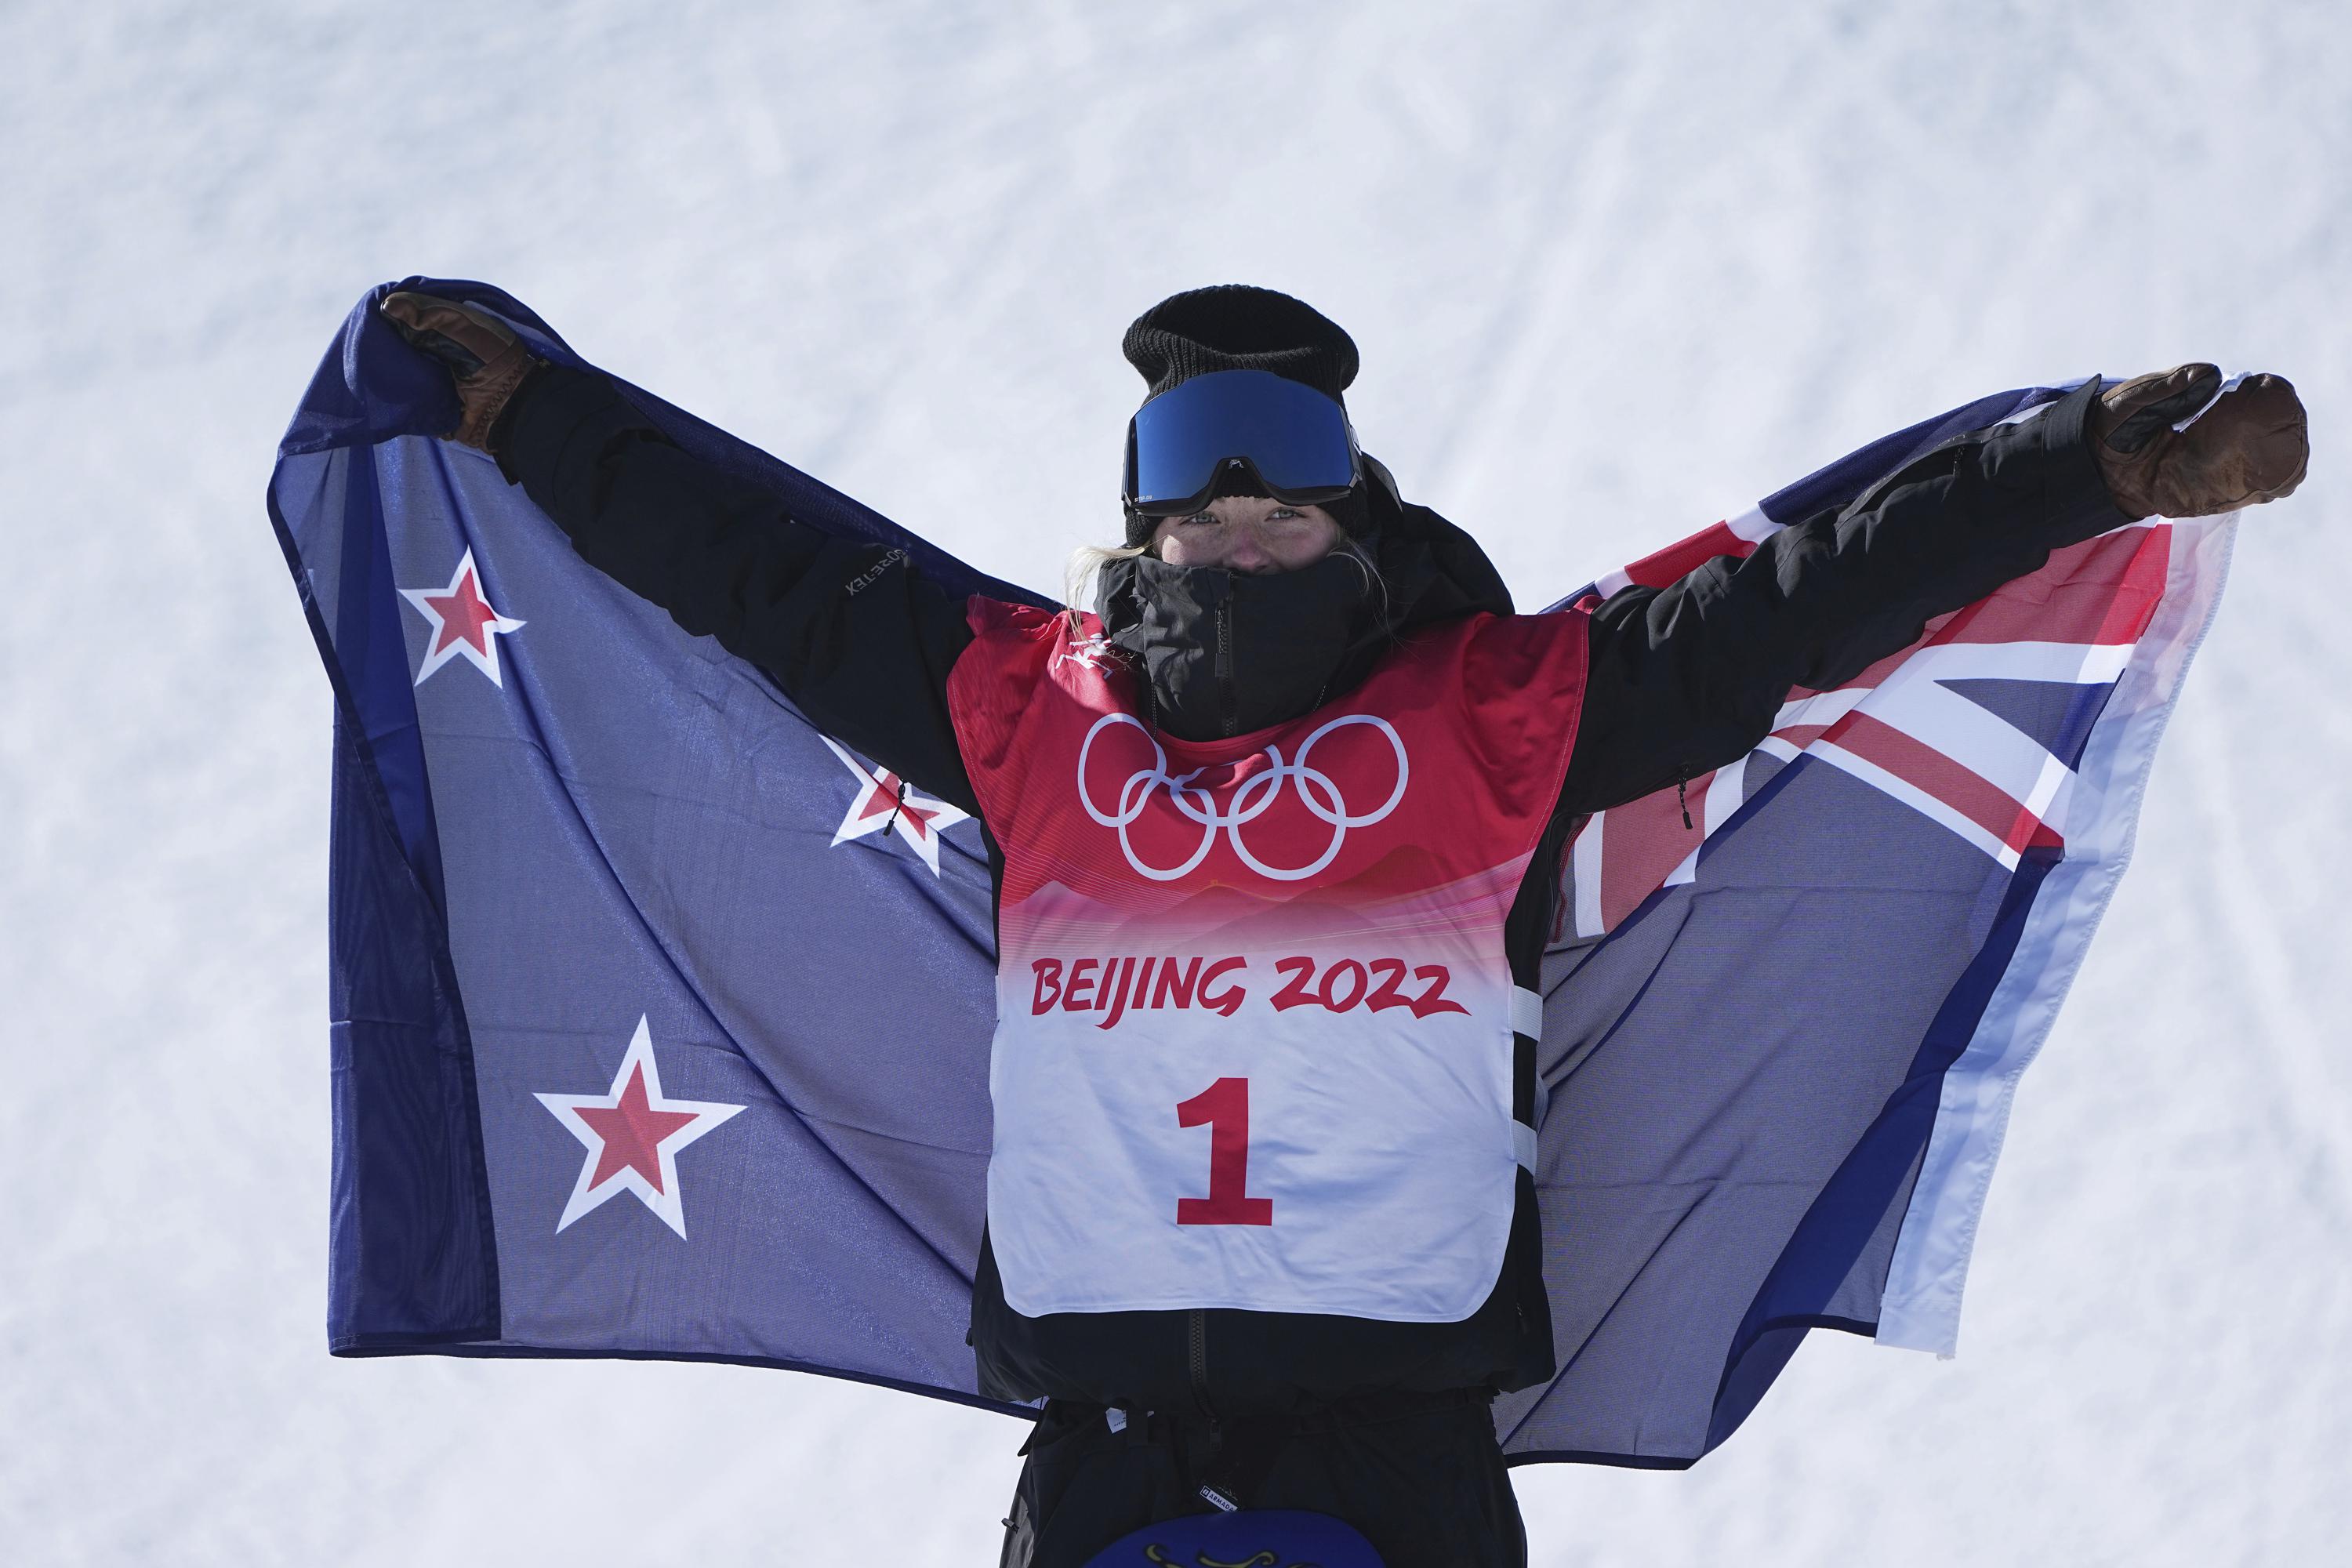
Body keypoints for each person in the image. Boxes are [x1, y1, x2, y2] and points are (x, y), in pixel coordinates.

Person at [380, 284, 2306, 1567]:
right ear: (1137, 520)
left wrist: (2072, 472)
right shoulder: (1021, 704)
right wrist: (540, 421)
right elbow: (767, 578)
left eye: (1281, 469)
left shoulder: (1504, 704)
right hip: (1111, 1440)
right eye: (1191, 469)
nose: (1235, 508)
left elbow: (1800, 604)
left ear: (1352, 504)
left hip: (1402, 1451)